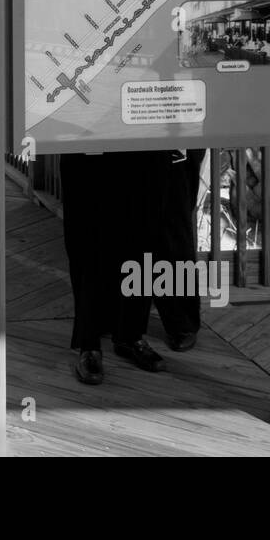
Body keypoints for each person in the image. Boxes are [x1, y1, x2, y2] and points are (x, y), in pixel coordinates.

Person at [60, 148, 205, 386]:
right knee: (89, 239)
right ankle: (89, 345)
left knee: (145, 233)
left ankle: (131, 335)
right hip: (87, 136)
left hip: (146, 135)